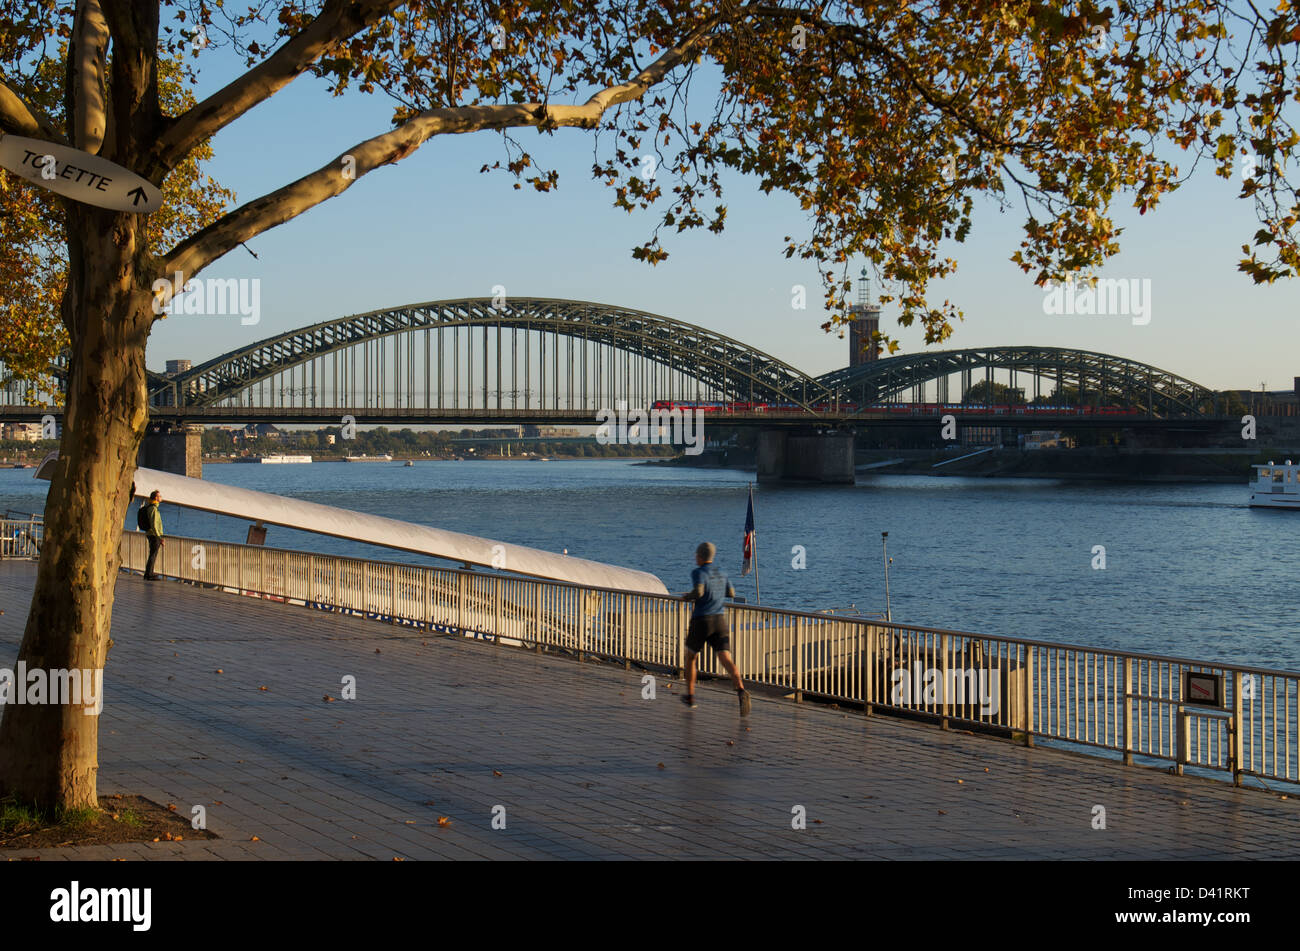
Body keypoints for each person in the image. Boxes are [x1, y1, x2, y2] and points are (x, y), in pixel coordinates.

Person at [679, 541, 750, 715]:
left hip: (701, 620)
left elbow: (699, 592)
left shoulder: (698, 572)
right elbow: (731, 593)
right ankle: (741, 689)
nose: (695, 557)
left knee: (691, 657)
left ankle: (690, 695)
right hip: (720, 620)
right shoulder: (721, 573)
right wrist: (717, 593)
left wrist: (687, 597)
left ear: (701, 557)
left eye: (696, 555)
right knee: (725, 658)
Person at [139, 490, 165, 580]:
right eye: (160, 496)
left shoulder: (152, 507)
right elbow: (154, 524)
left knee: (152, 554)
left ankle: (149, 573)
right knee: (153, 554)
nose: (161, 497)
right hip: (153, 535)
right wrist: (159, 537)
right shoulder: (153, 509)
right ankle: (149, 574)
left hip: (151, 534)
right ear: (156, 498)